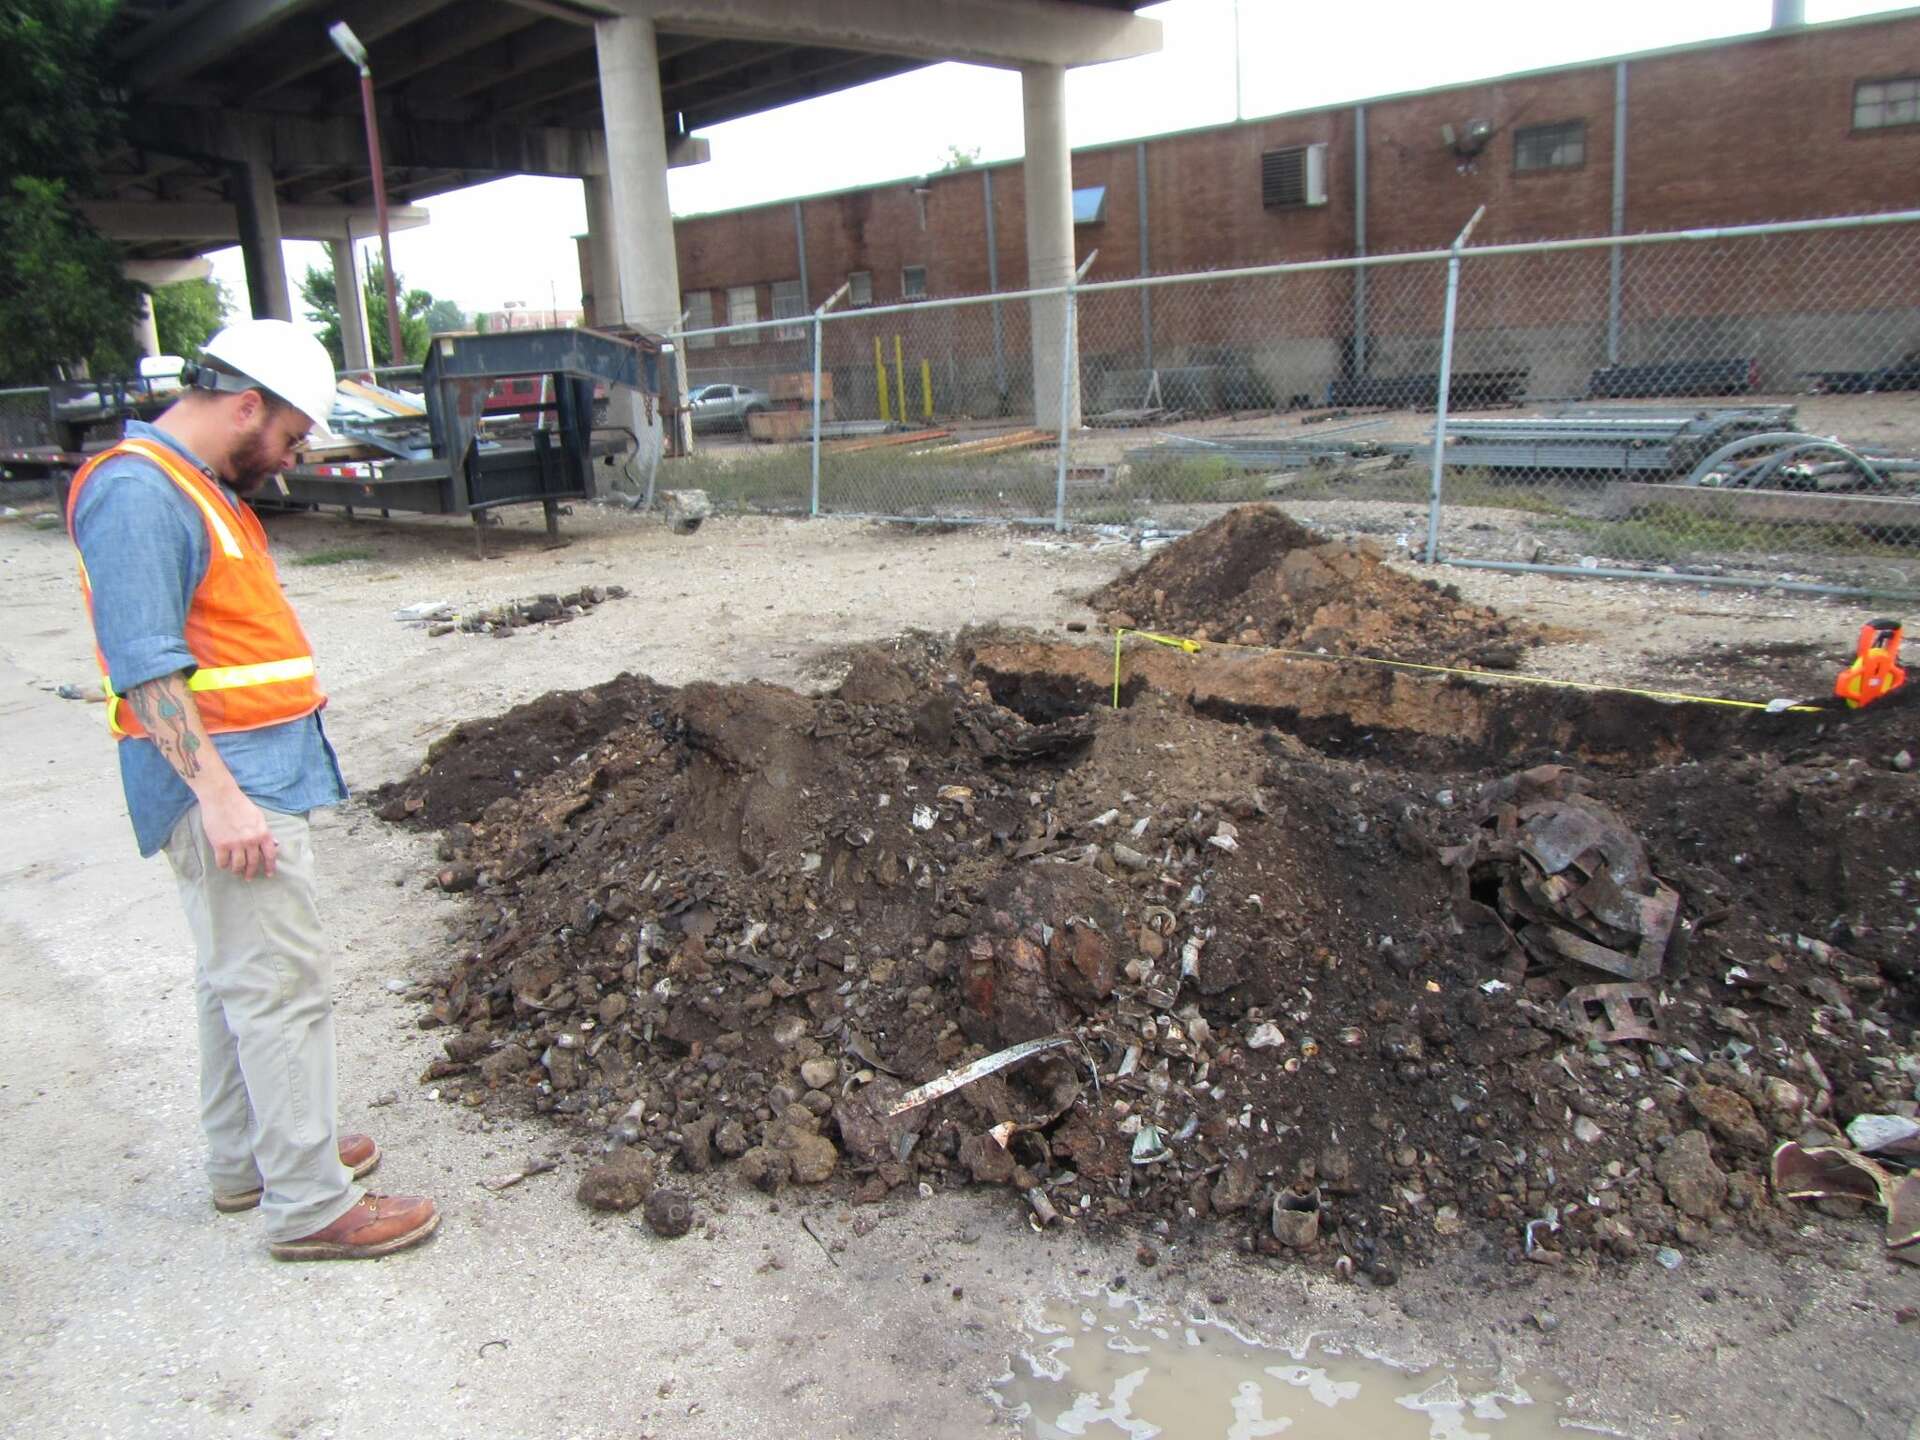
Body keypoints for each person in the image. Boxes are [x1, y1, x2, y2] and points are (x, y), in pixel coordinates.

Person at [67, 319, 440, 1262]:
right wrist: (221, 799)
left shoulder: (194, 487)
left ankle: (250, 1159)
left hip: (247, 771)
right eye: (289, 435)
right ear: (245, 405)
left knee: (231, 979)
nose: (291, 456)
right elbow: (147, 669)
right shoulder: (141, 495)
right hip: (225, 785)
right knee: (280, 985)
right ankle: (312, 1204)